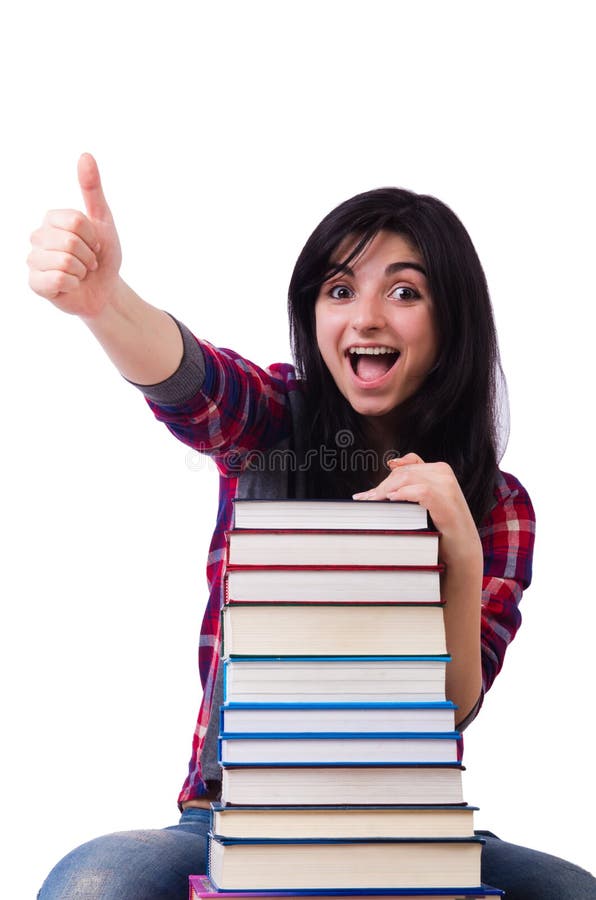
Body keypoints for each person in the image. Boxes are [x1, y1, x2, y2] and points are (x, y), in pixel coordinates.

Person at [29, 154, 596, 899]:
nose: (365, 317)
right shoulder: (274, 423)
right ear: (314, 316)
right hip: (228, 815)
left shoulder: (500, 506)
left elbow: (456, 703)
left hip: (410, 821)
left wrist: (457, 544)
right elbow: (197, 385)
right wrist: (107, 302)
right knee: (95, 884)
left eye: (404, 291)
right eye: (338, 290)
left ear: (452, 318)